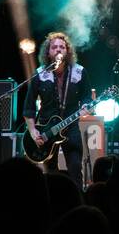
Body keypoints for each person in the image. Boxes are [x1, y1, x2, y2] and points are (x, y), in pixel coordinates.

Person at [24, 32, 91, 187]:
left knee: (75, 169)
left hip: (71, 127)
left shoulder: (79, 72)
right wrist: (33, 131)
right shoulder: (40, 74)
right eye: (54, 47)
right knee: (50, 173)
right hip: (46, 130)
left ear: (68, 51)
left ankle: (77, 198)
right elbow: (28, 106)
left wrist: (86, 106)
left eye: (62, 47)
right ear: (48, 52)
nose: (58, 49)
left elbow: (87, 97)